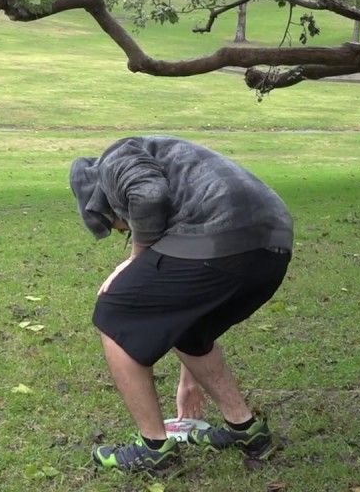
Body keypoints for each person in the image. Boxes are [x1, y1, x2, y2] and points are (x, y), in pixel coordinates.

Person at [68, 134, 294, 474]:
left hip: (221, 235)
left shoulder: (113, 163)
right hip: (272, 247)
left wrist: (135, 257)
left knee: (114, 310)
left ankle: (154, 449)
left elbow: (148, 193)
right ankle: (247, 431)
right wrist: (189, 380)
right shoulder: (160, 152)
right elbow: (187, 312)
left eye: (117, 228)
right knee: (187, 326)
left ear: (100, 206)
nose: (124, 230)